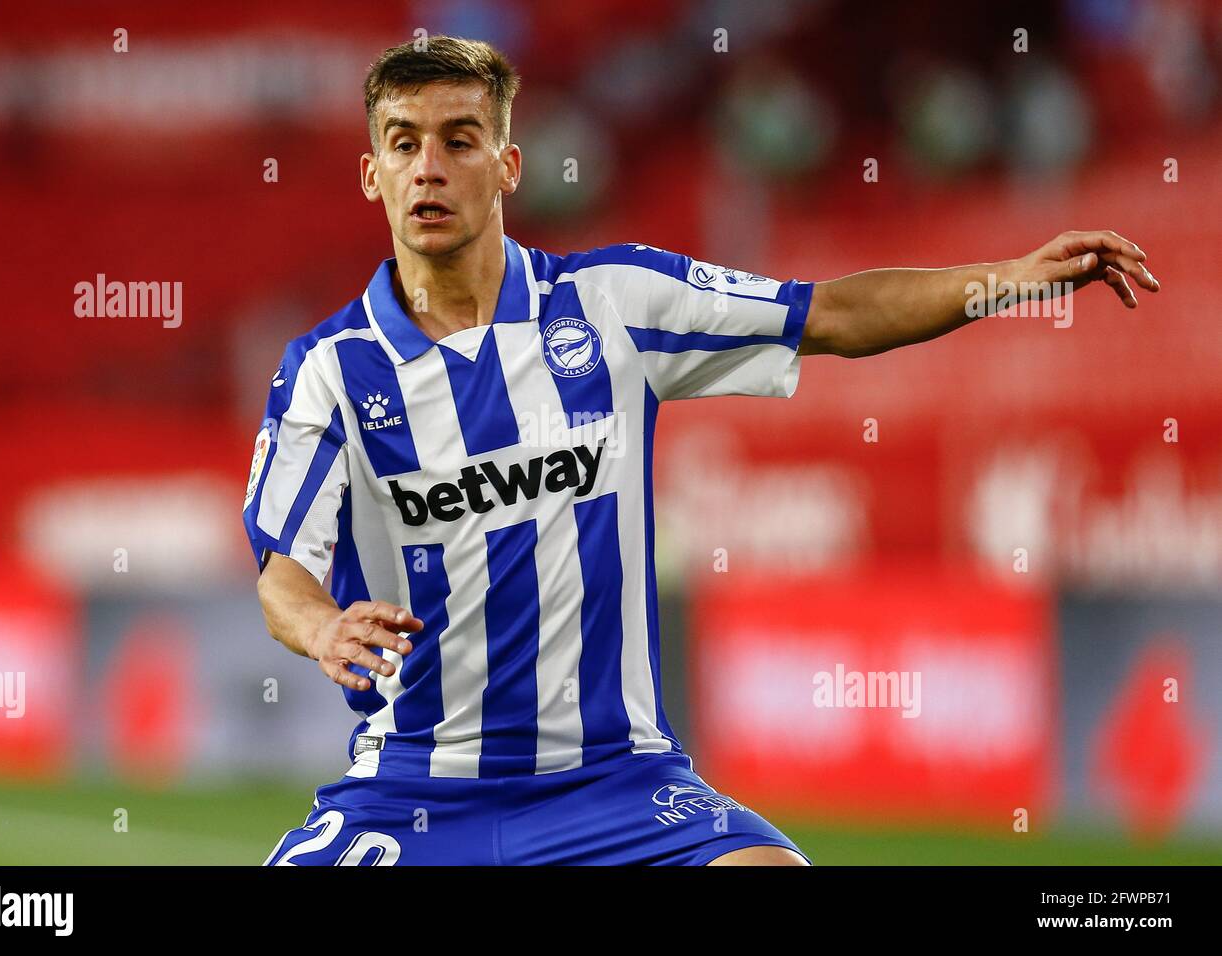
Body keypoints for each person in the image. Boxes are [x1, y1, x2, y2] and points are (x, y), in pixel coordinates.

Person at [243, 35, 1158, 866]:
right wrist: (323, 626)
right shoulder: (329, 371)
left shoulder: (614, 304)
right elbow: (283, 570)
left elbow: (831, 314)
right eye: (403, 144)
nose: (429, 169)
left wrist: (1010, 279)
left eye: (459, 140)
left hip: (616, 786)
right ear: (372, 174)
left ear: (508, 164)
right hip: (414, 794)